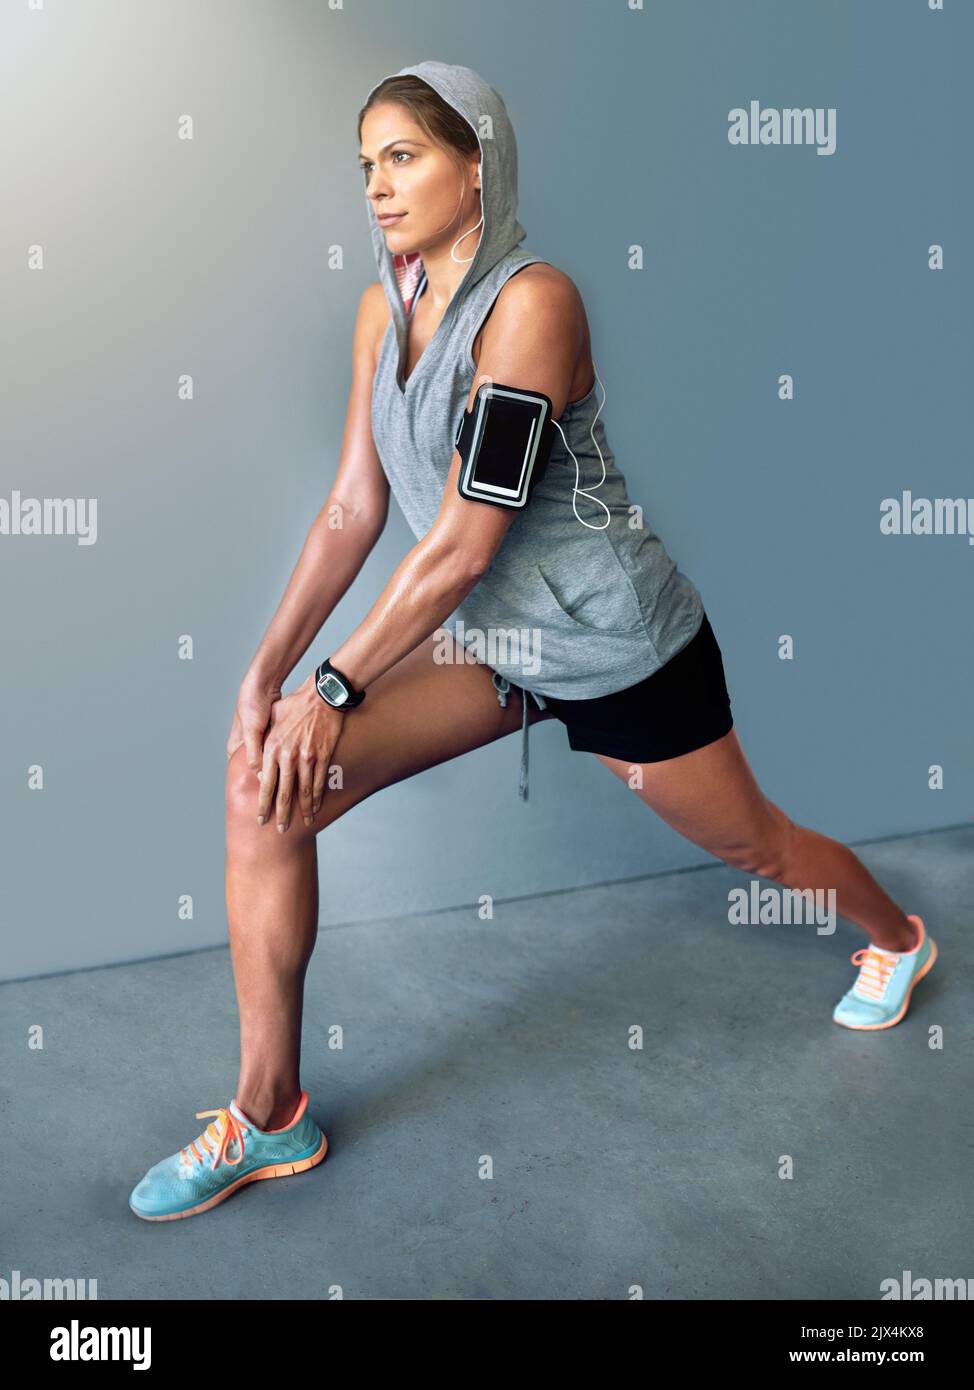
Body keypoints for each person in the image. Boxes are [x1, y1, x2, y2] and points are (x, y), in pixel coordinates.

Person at [128, 61, 937, 1222]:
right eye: (365, 164)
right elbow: (353, 508)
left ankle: (896, 935)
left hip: (612, 647)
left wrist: (334, 682)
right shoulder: (379, 311)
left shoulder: (533, 304)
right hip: (489, 646)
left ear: (476, 163)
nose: (377, 185)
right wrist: (265, 676)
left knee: (754, 844)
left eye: (403, 156)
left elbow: (465, 539)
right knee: (262, 788)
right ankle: (269, 1112)